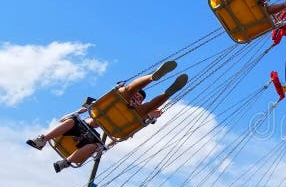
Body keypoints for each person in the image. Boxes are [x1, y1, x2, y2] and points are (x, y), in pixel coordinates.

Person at [26, 61, 189, 173]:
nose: (137, 99)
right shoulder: (118, 99)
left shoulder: (138, 110)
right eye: (137, 96)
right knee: (126, 92)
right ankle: (43, 139)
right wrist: (83, 110)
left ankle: (167, 93)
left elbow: (148, 114)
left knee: (147, 109)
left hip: (106, 130)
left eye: (140, 99)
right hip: (88, 125)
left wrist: (151, 114)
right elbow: (68, 118)